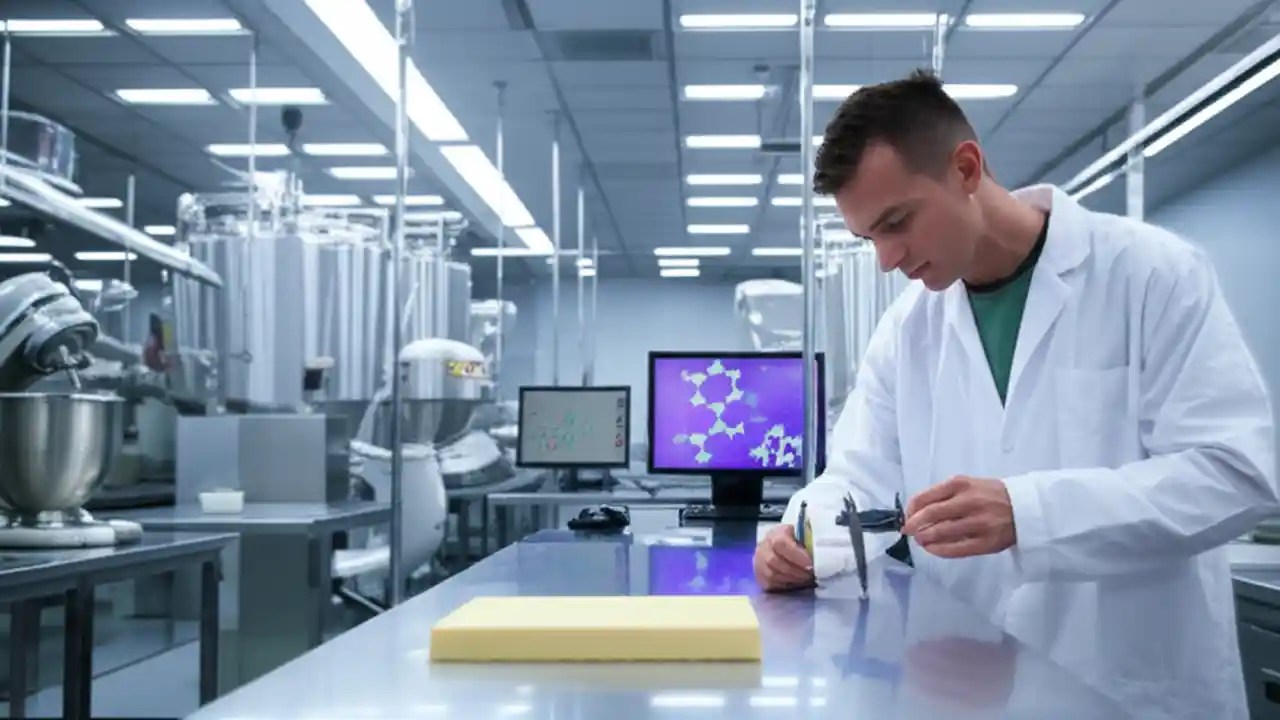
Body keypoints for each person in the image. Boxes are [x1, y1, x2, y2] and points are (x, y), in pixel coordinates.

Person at [753, 69, 1278, 718]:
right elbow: (857, 477)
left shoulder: (1150, 274)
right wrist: (803, 539)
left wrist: (1029, 512)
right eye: (870, 239)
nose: (887, 259)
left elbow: (1236, 474)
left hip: (1128, 689)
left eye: (898, 222)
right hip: (964, 685)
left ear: (966, 168)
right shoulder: (907, 332)